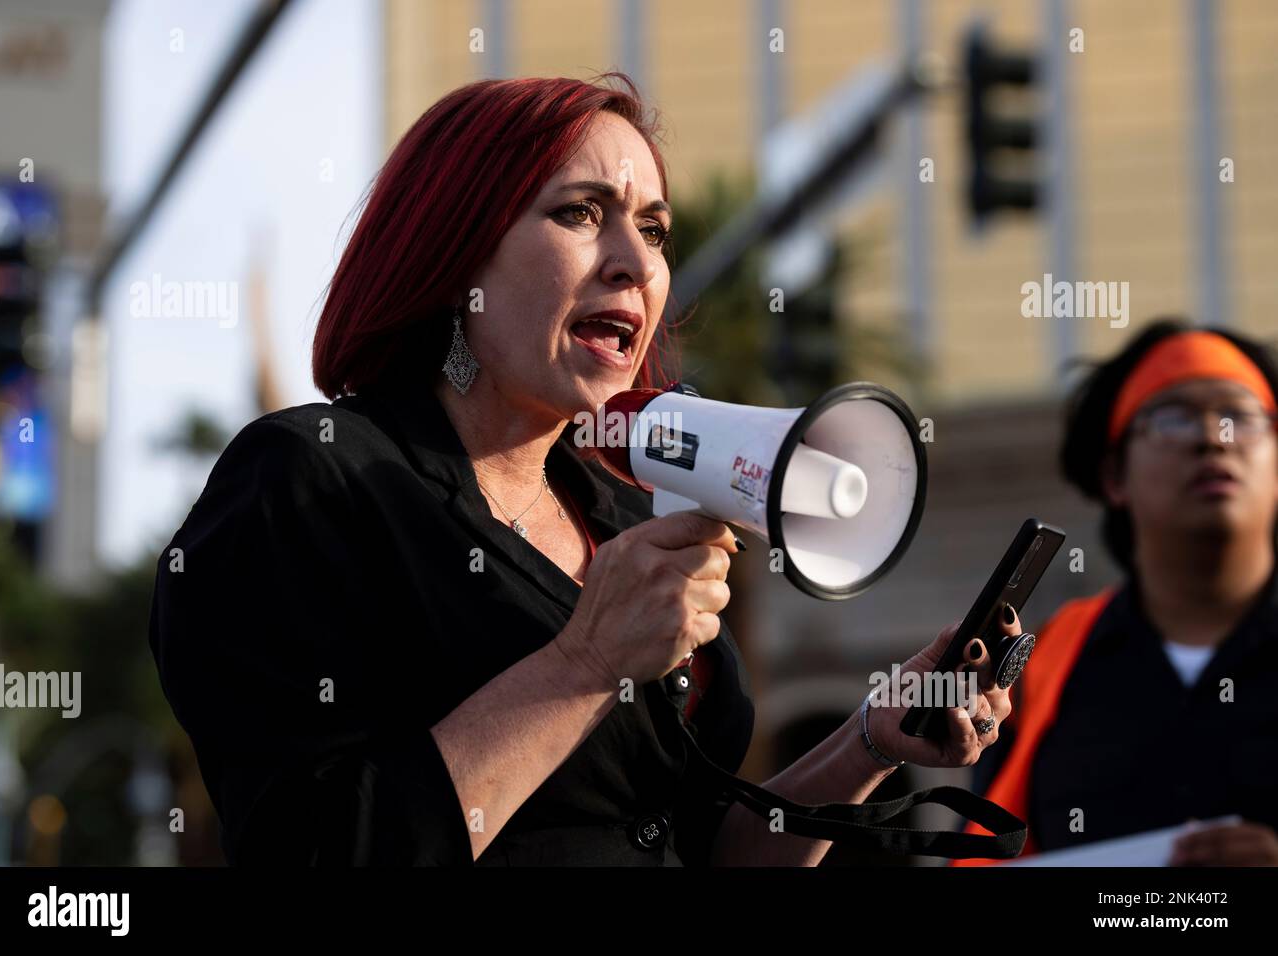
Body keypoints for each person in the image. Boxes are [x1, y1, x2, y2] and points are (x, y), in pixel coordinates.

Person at [148, 74, 1022, 867]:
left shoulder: (620, 514)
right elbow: (322, 851)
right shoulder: (313, 481)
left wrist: (870, 740)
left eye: (654, 231)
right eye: (580, 213)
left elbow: (704, 851)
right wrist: (588, 659)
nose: (637, 265)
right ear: (457, 258)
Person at [955, 319, 1278, 866]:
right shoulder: (1048, 664)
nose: (1211, 438)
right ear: (1114, 476)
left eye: (1239, 417)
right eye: (1172, 418)